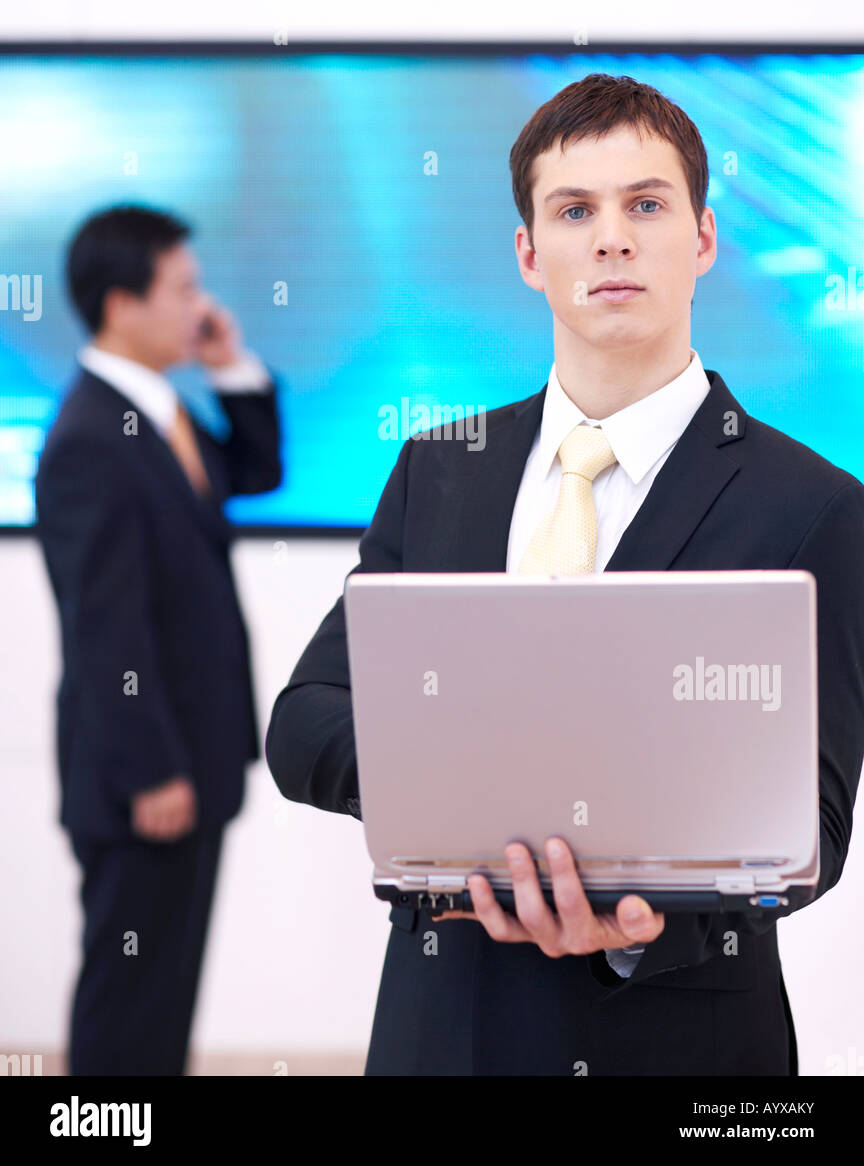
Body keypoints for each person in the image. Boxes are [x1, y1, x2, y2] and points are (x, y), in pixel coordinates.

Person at [265, 74, 864, 1076]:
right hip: (444, 1023)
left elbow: (816, 821)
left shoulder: (814, 506)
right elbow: (305, 723)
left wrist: (639, 916)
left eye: (646, 205)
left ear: (704, 239)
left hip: (678, 1039)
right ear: (529, 254)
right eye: (575, 210)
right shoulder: (439, 468)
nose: (612, 239)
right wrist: (475, 790)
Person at [35, 204, 282, 1076]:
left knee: (164, 994)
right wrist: (151, 772)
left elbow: (257, 470)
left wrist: (229, 367)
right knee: (130, 1001)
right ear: (120, 304)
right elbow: (105, 628)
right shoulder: (91, 437)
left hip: (193, 759)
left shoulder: (153, 409)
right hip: (145, 778)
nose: (200, 307)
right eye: (183, 289)